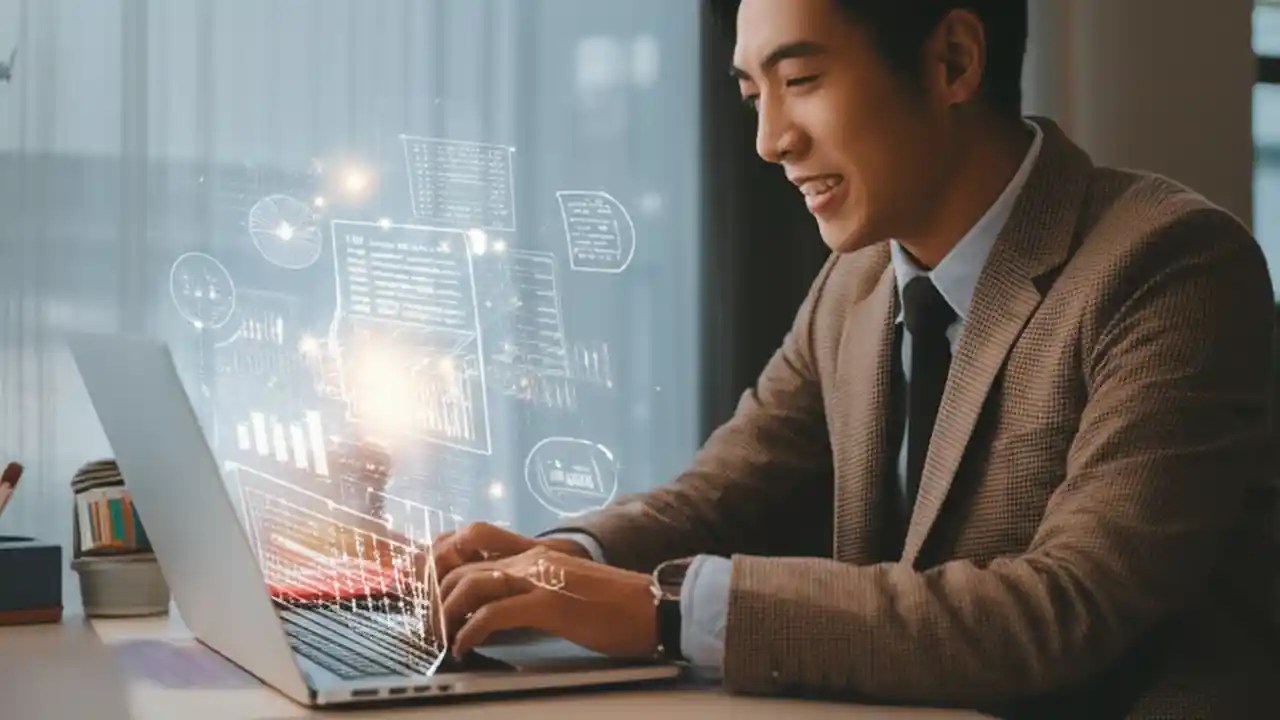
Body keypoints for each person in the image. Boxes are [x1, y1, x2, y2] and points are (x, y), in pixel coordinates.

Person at [430, 0, 1280, 715]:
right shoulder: (859, 277)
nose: (769, 139)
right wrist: (561, 563)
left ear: (952, 61)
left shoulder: (1171, 266)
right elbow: (725, 493)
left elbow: (1067, 609)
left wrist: (666, 610)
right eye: (752, 94)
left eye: (800, 80)